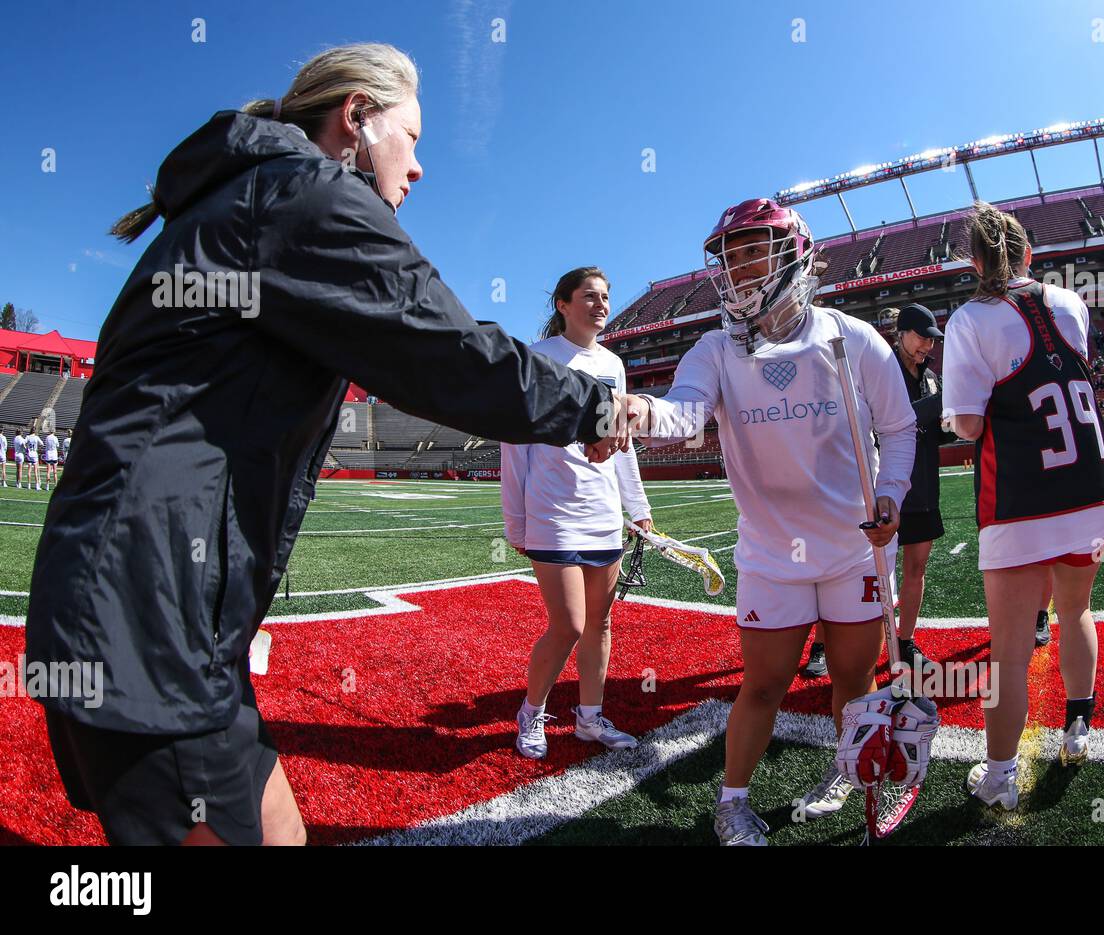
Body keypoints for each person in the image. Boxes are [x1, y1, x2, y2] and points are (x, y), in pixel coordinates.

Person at [25, 43, 646, 847]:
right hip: (146, 618)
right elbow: (448, 349)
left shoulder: (250, 194)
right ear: (354, 117)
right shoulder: (304, 194)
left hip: (157, 611)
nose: (419, 168)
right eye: (412, 138)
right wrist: (597, 408)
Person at [635, 198, 917, 843]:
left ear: (795, 255)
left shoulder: (851, 336)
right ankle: (732, 802)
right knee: (762, 687)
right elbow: (684, 416)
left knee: (854, 679)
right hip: (771, 553)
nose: (738, 270)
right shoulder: (715, 348)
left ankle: (849, 769)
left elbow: (899, 428)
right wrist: (640, 413)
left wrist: (892, 494)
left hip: (855, 548)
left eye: (751, 252)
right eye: (730, 258)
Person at [943, 202, 1104, 810]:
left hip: (1022, 494)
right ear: (1028, 255)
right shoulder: (1071, 303)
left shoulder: (970, 318)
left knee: (1010, 648)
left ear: (976, 260)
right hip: (1090, 487)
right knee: (1077, 610)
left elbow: (965, 426)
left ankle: (1000, 776)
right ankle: (1078, 724)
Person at [503, 267, 653, 759]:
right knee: (567, 624)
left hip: (603, 511)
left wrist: (638, 507)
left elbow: (621, 443)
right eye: (589, 296)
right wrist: (517, 520)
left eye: (606, 296)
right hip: (552, 511)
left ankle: (590, 718)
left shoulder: (614, 364)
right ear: (563, 305)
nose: (600, 304)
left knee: (600, 624)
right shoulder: (539, 359)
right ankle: (531, 711)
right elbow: (515, 443)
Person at [889, 303, 953, 671]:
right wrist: (941, 403)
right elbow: (899, 419)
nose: (928, 346)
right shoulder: (885, 370)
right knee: (863, 572)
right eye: (922, 337)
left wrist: (949, 423)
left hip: (924, 487)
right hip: (888, 488)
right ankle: (822, 645)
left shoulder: (931, 378)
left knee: (917, 569)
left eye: (932, 340)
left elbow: (932, 430)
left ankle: (906, 640)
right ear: (902, 334)